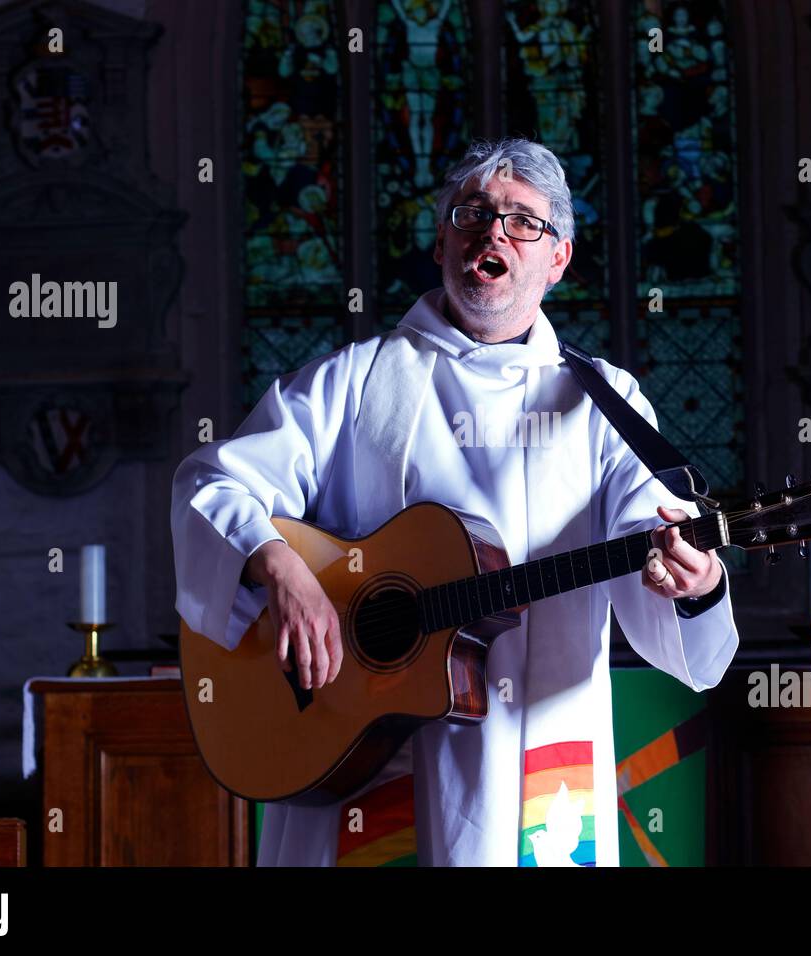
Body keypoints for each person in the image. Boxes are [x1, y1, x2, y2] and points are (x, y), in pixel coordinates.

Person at [171, 138, 740, 866]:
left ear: (558, 258)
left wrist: (694, 584)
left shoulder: (605, 402)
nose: (493, 231)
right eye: (473, 213)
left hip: (538, 747)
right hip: (361, 745)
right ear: (442, 238)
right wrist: (281, 569)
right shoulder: (354, 383)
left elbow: (652, 531)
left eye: (523, 221)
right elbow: (209, 484)